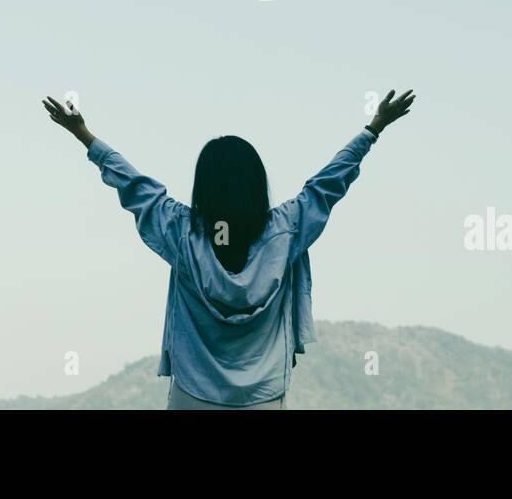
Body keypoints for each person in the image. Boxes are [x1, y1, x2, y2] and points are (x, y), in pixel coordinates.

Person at [41, 89, 415, 410]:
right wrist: (373, 128)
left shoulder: (181, 232)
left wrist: (83, 135)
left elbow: (135, 186)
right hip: (264, 393)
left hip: (194, 391)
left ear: (203, 185)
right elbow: (328, 183)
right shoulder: (286, 228)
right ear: (256, 182)